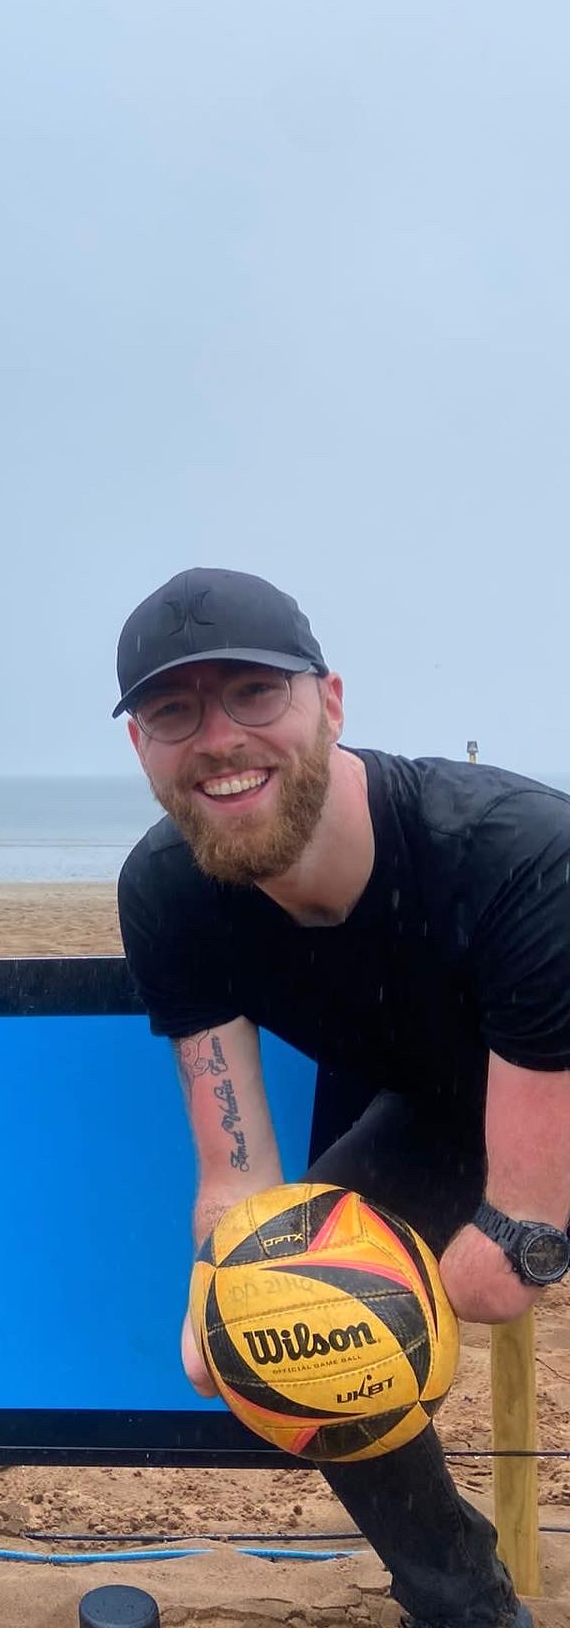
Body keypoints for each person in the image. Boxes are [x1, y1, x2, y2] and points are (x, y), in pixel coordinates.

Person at [113, 567, 567, 1628]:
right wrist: (228, 1295)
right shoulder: (170, 892)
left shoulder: (518, 859)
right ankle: (463, 1602)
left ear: (333, 702)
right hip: (435, 1089)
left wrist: (519, 1246)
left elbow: (517, 1251)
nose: (218, 739)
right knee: (298, 1311)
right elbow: (237, 1180)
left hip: (551, 1065)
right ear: (141, 747)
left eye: (255, 695)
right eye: (175, 710)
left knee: (471, 1282)